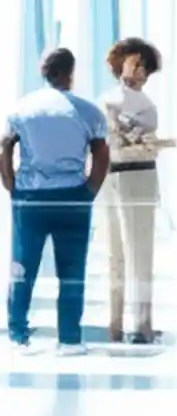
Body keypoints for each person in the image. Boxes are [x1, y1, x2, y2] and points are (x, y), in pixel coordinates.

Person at [3, 48, 109, 355]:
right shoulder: (88, 111)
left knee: (23, 268)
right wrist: (90, 189)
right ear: (69, 73)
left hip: (31, 199)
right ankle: (69, 339)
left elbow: (5, 147)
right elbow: (101, 153)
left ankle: (18, 335)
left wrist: (10, 183)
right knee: (72, 271)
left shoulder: (22, 109)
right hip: (72, 198)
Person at [100, 37, 168, 344]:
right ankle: (114, 322)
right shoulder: (107, 100)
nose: (140, 69)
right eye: (135, 62)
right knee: (114, 253)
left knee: (140, 253)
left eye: (144, 66)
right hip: (110, 177)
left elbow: (136, 138)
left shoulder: (147, 106)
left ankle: (142, 323)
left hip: (138, 176)